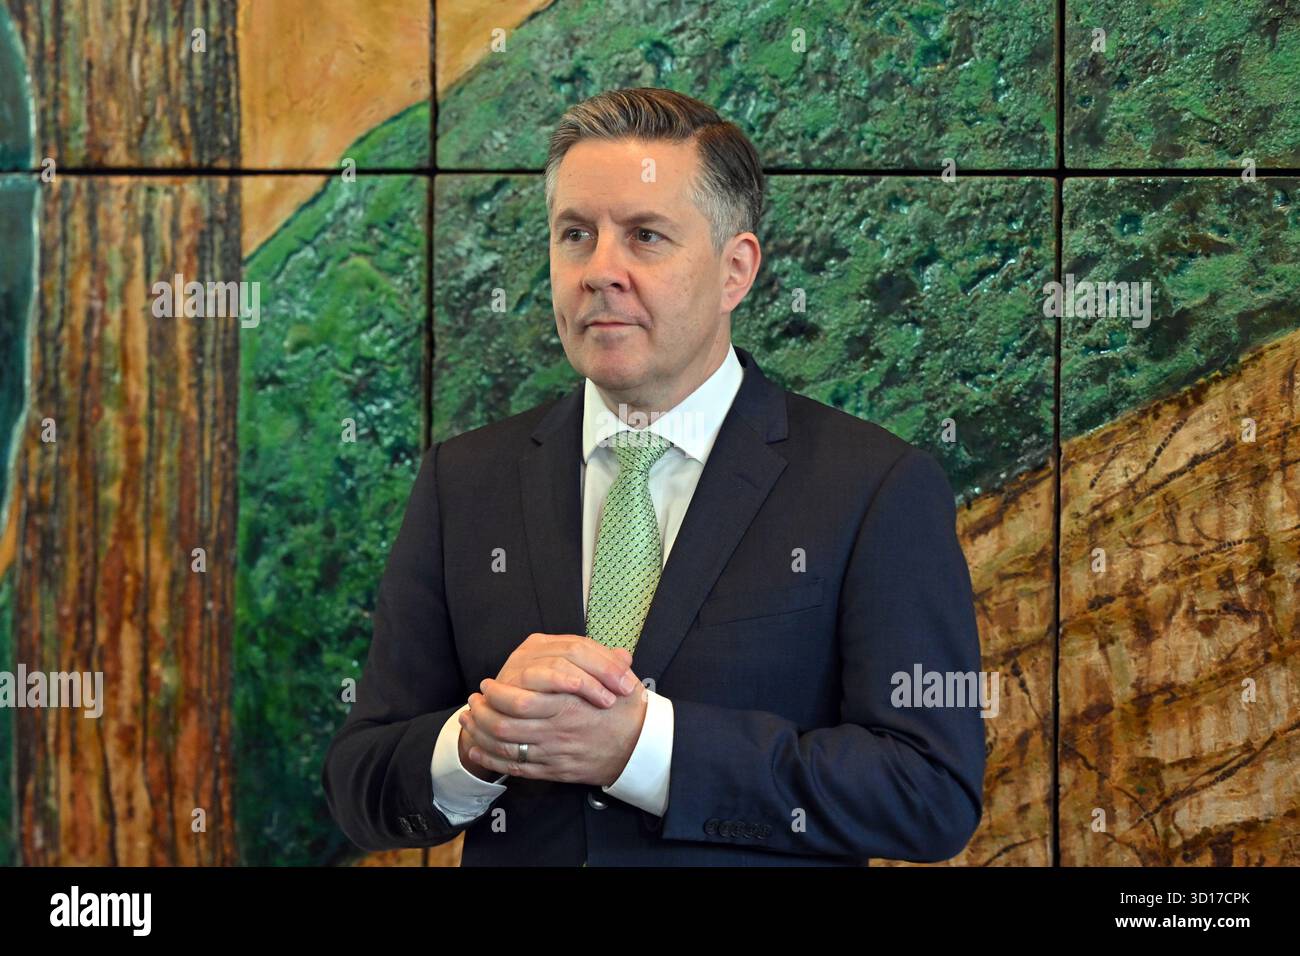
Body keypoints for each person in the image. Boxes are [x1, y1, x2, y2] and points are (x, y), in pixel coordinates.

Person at [322, 87, 986, 866]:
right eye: (575, 235)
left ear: (735, 270)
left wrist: (643, 750)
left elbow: (929, 792)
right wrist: (473, 745)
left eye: (644, 237)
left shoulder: (875, 487)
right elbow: (359, 785)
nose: (600, 271)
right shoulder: (462, 482)